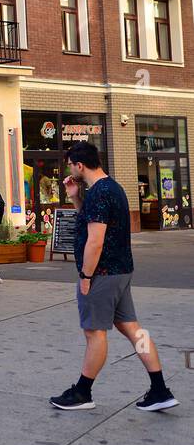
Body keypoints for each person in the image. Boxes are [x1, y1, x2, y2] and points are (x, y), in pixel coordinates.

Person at [51, 142, 178, 412]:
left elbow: (95, 241)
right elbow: (91, 222)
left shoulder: (99, 193)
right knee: (133, 328)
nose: (70, 170)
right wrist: (75, 197)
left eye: (70, 165)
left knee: (94, 333)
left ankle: (83, 392)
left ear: (79, 165)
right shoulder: (113, 188)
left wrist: (86, 276)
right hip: (121, 271)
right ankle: (160, 388)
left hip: (102, 274)